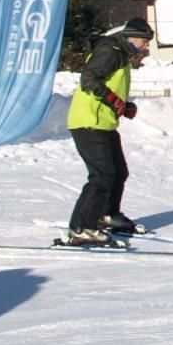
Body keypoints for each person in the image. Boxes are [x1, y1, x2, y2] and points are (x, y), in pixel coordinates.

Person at [64, 17, 153, 246]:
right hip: (88, 122)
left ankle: (106, 216)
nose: (146, 47)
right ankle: (82, 228)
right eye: (144, 42)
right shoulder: (111, 51)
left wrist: (124, 105)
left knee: (118, 172)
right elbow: (89, 79)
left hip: (103, 122)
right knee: (101, 176)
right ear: (131, 37)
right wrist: (115, 101)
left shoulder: (120, 54)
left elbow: (108, 87)